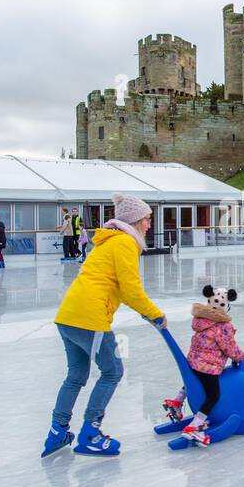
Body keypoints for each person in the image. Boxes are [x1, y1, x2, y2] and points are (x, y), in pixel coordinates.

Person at [44, 192, 165, 458]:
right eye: (147, 219)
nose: (149, 224)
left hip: (68, 316)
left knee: (76, 375)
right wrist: (156, 315)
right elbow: (131, 289)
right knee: (112, 371)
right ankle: (90, 432)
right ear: (134, 221)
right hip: (90, 318)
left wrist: (146, 313)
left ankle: (57, 431)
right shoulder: (124, 243)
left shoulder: (108, 242)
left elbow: (120, 288)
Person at [160, 285, 244, 447]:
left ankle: (177, 401)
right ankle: (195, 425)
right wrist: (240, 357)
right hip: (209, 367)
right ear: (227, 305)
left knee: (193, 382)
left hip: (193, 362)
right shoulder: (223, 326)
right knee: (213, 396)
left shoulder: (200, 320)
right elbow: (229, 347)